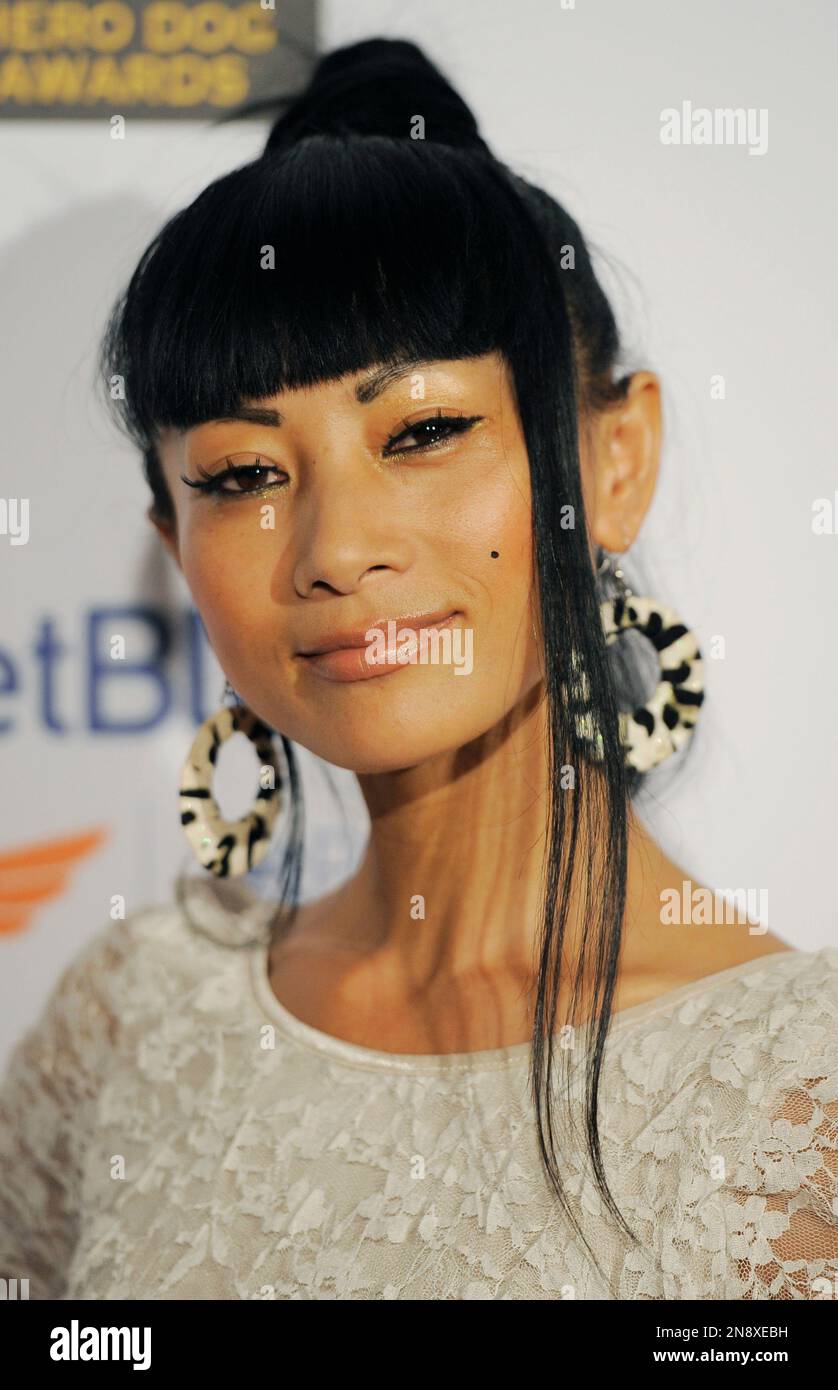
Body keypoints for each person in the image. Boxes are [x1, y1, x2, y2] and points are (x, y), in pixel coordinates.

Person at [1, 36, 837, 1301]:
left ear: (612, 464)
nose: (338, 550)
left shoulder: (803, 1092)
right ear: (175, 541)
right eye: (243, 475)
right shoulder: (127, 1023)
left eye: (426, 431)